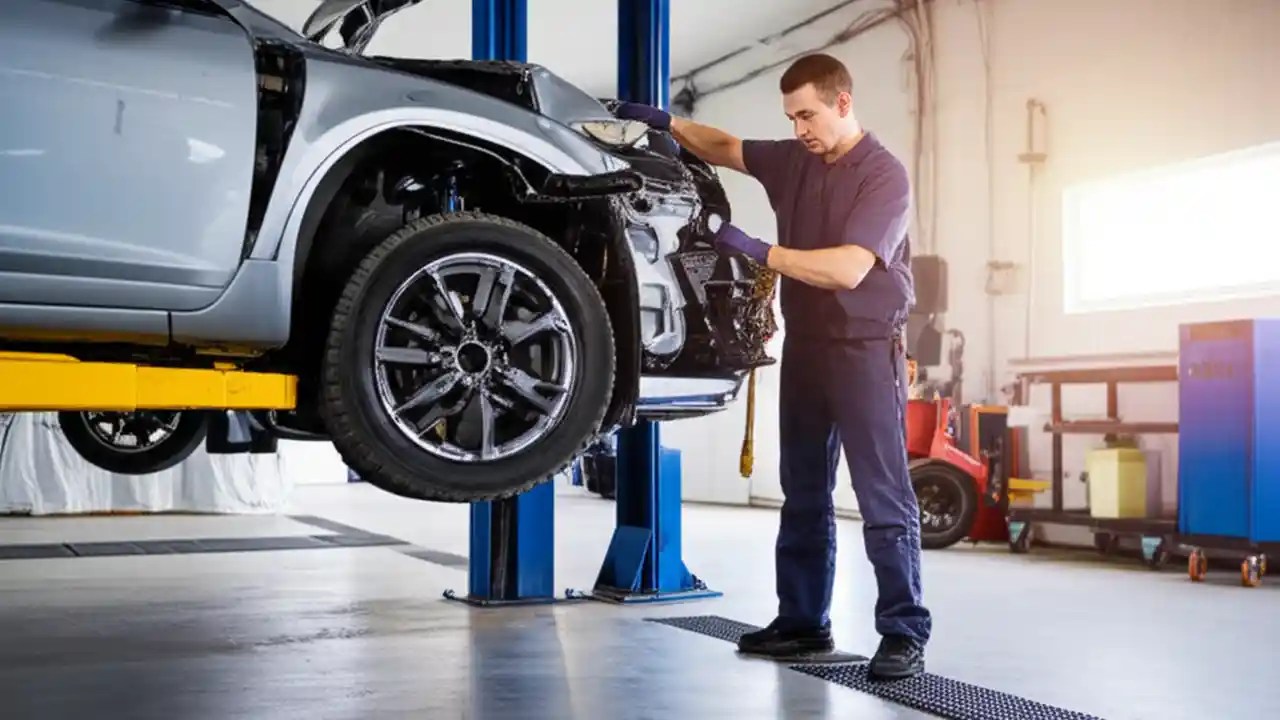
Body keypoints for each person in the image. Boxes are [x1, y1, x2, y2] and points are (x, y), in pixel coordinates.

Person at [614, 53, 930, 680]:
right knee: (803, 492)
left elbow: (847, 269)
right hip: (808, 346)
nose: (798, 129)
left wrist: (758, 250)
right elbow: (727, 146)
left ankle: (903, 632)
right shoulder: (795, 159)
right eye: (790, 118)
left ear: (843, 102)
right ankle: (803, 623)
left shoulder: (883, 176)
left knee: (882, 496)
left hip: (867, 348)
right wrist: (665, 124)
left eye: (807, 114)